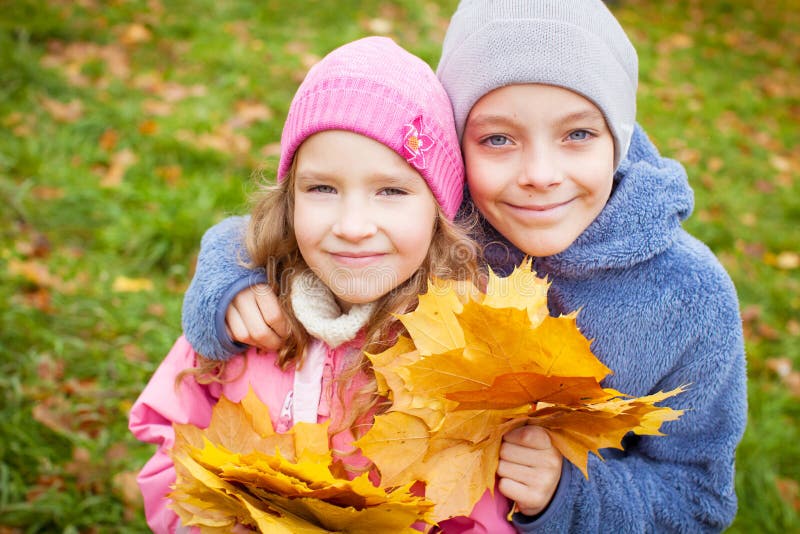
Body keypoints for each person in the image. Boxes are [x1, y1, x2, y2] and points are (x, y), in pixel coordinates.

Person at [177, 1, 748, 532]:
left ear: (616, 136)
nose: (540, 174)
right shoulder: (437, 216)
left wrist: (568, 494)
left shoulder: (688, 297)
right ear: (452, 149)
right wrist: (229, 283)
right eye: (498, 139)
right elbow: (292, 221)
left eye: (577, 134)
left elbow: (699, 501)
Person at [127, 36, 523, 533]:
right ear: (289, 199)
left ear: (439, 211)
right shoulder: (242, 315)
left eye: (391, 191)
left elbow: (481, 513)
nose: (353, 226)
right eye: (322, 188)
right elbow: (170, 446)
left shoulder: (463, 354)